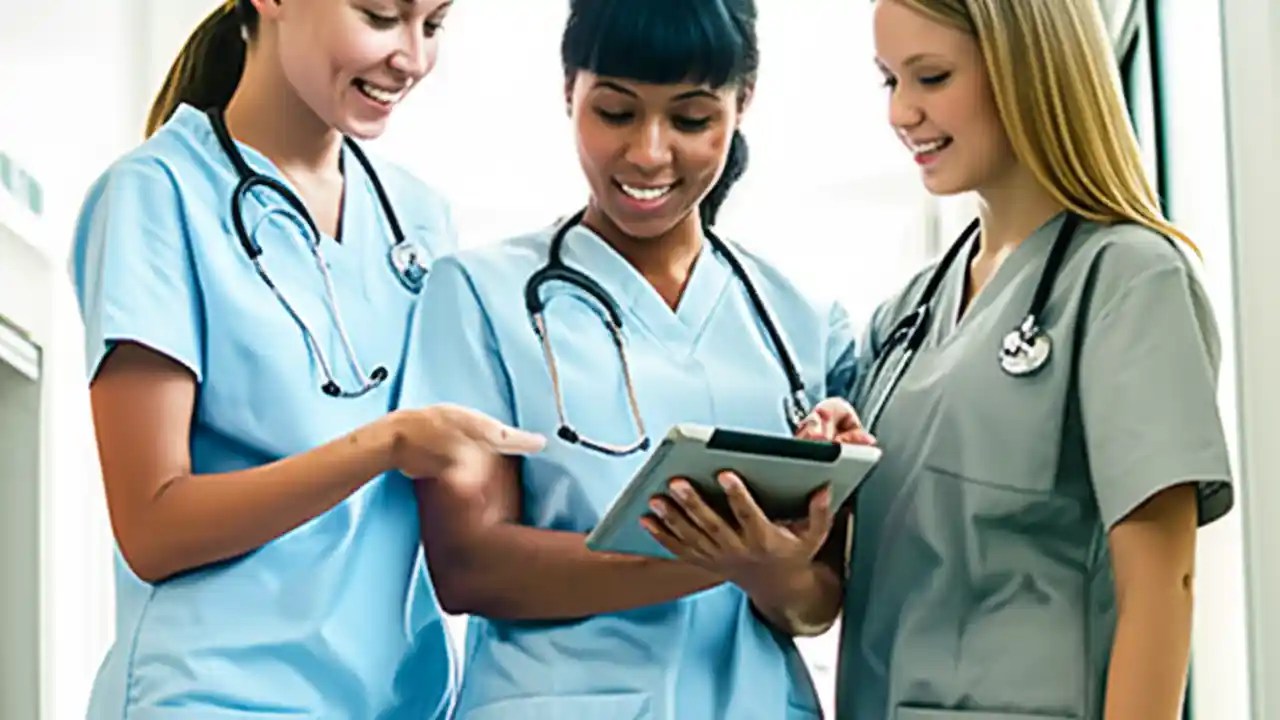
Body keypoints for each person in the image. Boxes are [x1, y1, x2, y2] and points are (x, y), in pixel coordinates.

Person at [70, 1, 544, 717]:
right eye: (381, 15)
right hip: (216, 696)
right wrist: (382, 445)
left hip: (402, 700)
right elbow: (152, 528)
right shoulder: (158, 194)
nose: (411, 58)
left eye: (433, 24)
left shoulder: (420, 220)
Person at [396, 0, 860, 717]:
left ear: (744, 102)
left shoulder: (799, 321)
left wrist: (773, 568)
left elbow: (814, 604)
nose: (649, 153)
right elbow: (470, 569)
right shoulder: (481, 296)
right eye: (615, 113)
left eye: (691, 118)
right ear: (568, 93)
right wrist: (718, 559)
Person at [800, 1, 1235, 718]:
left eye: (931, 78)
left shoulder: (1127, 280)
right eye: (889, 82)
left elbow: (1163, 589)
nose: (901, 113)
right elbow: (853, 575)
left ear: (1028, 66)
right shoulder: (908, 312)